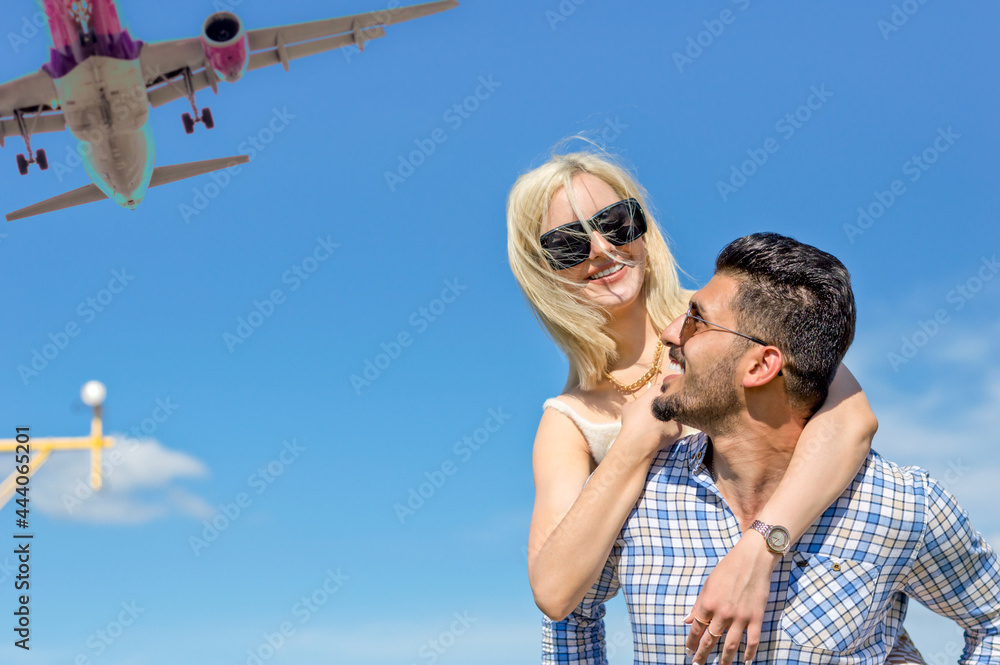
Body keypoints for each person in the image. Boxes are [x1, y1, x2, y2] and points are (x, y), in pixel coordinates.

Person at [506, 149, 925, 664]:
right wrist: (634, 445)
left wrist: (758, 550)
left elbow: (853, 420)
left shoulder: (732, 317)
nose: (601, 249)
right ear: (539, 269)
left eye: (616, 223)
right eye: (567, 245)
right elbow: (556, 592)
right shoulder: (570, 421)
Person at [546, 232, 1000, 664]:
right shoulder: (640, 493)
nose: (668, 334)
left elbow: (992, 622)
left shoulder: (902, 505)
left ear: (762, 365)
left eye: (697, 320)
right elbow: (569, 613)